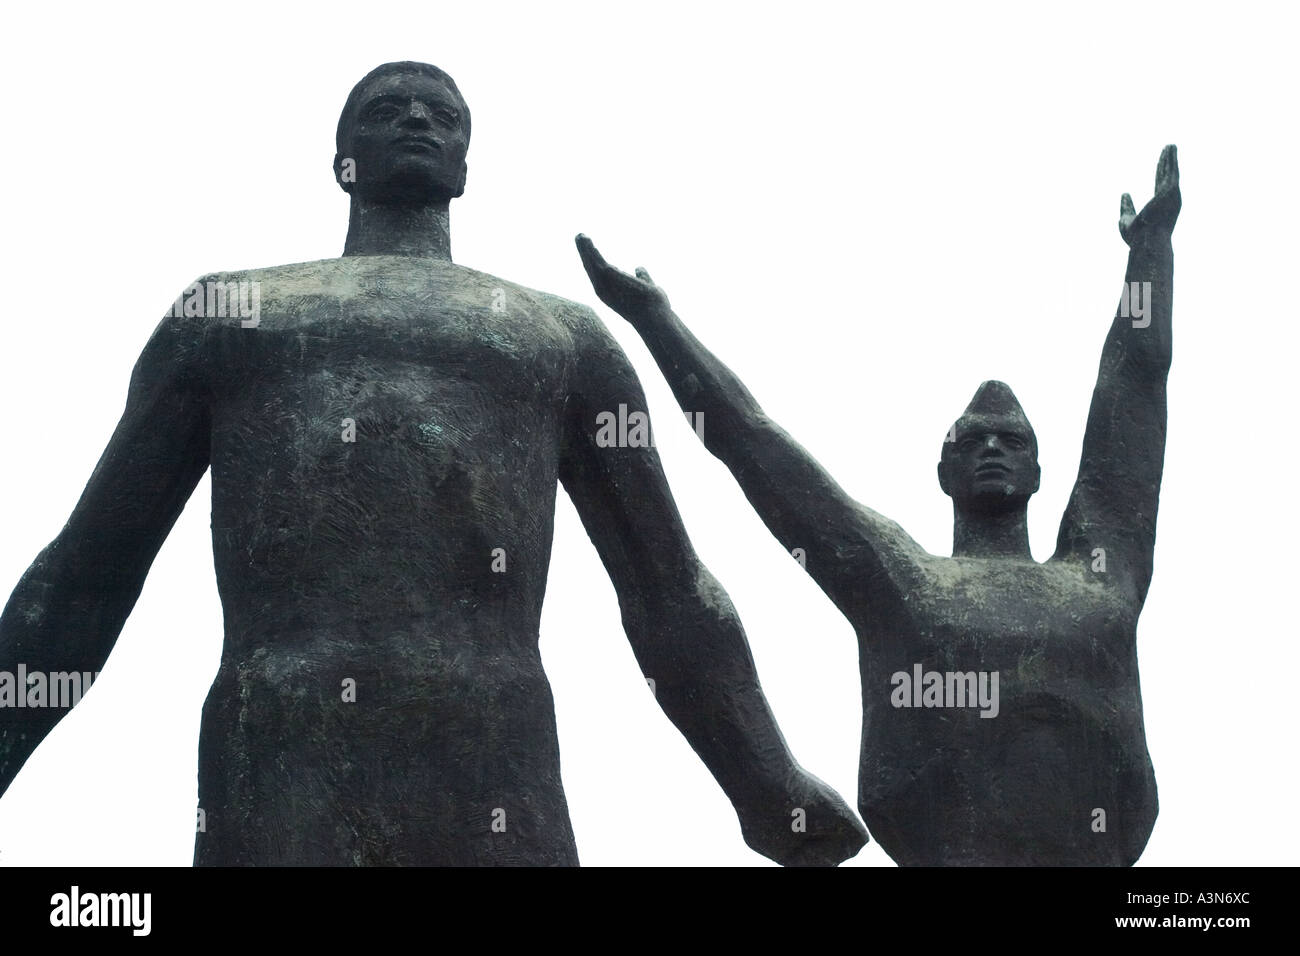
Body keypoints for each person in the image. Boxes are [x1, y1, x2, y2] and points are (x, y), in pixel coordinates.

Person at [0, 62, 866, 866]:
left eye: (441, 113)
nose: (416, 116)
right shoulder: (231, 316)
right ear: (341, 160)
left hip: (495, 755)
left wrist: (764, 779)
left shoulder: (562, 338)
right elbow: (85, 576)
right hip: (279, 749)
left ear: (465, 164)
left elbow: (666, 587)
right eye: (386, 108)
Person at [577, 145, 1180, 865]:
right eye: (975, 441)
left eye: (1012, 442)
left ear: (1041, 471)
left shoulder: (1098, 573)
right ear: (943, 470)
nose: (993, 448)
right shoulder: (901, 579)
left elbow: (1134, 390)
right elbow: (755, 447)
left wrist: (1150, 252)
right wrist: (660, 325)